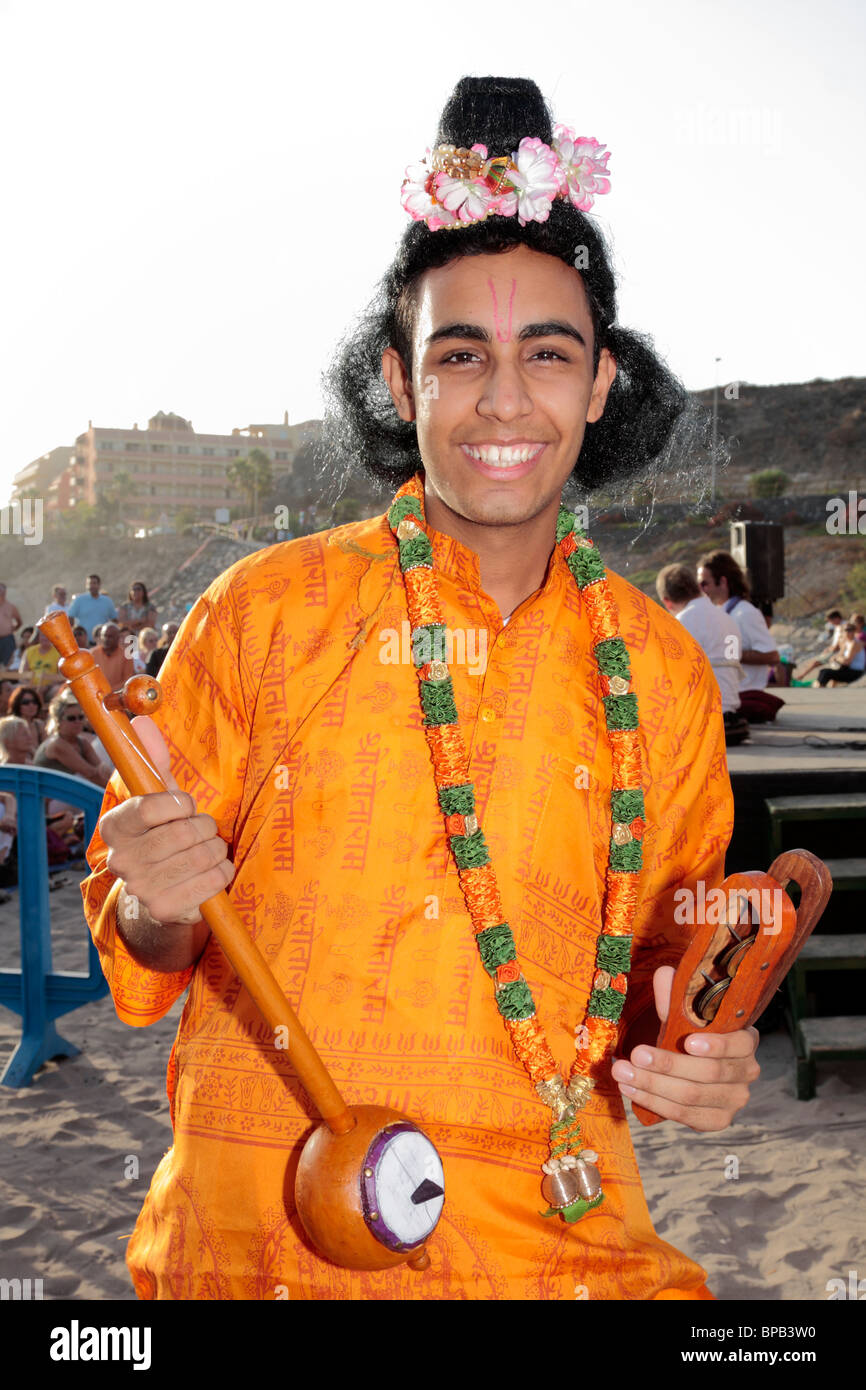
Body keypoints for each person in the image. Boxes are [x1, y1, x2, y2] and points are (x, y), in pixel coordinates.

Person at [81, 75, 758, 1303]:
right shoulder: (264, 613)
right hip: (264, 1249)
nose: (504, 397)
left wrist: (695, 1051)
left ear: (600, 383)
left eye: (546, 354)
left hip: (552, 1252)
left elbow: (665, 962)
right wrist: (156, 895)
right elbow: (144, 950)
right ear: (401, 385)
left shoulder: (656, 672)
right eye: (460, 355)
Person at [655, 564, 748, 746]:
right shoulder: (728, 620)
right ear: (698, 587)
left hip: (702, 723)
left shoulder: (680, 624)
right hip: (731, 720)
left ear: (667, 602)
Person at [697, 550, 782, 722]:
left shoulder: (745, 613)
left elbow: (773, 656)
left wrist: (726, 654)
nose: (700, 589)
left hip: (741, 694)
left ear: (722, 582)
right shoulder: (719, 612)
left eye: (704, 584)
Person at [33, 695, 108, 787]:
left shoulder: (82, 742)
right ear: (58, 721)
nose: (78, 721)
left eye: (81, 717)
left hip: (65, 792)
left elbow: (101, 770)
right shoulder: (57, 744)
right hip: (47, 795)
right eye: (71, 718)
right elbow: (90, 773)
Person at [796, 608, 844, 681]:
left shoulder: (844, 627)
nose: (830, 623)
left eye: (830, 621)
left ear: (836, 618)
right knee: (815, 661)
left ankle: (801, 676)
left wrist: (831, 649)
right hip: (833, 650)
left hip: (838, 652)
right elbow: (835, 643)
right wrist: (828, 648)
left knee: (816, 662)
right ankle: (801, 676)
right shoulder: (837, 627)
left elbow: (841, 644)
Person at [67, 575, 118, 642]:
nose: (91, 586)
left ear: (99, 585)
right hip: (83, 642)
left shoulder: (107, 601)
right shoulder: (79, 600)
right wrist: (73, 634)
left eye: (94, 583)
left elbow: (114, 620)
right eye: (89, 584)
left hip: (102, 642)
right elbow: (70, 617)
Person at [89, 622, 135, 690]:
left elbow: (127, 681)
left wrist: (109, 691)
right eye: (104, 636)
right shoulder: (92, 654)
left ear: (118, 638)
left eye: (110, 636)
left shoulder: (126, 656)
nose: (106, 639)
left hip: (117, 696)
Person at [18, 627, 61, 693]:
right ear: (38, 637)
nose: (45, 638)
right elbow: (22, 675)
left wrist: (47, 686)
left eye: (48, 635)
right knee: (16, 689)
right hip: (30, 687)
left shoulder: (58, 653)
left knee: (57, 689)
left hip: (50, 688)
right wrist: (30, 686)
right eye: (43, 635)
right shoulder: (29, 651)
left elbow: (61, 676)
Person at [0, 583, 23, 668]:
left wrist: (13, 629)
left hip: (7, 639)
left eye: (1, 590)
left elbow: (19, 621)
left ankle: (8, 680)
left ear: (5, 592)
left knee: (9, 663)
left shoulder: (11, 607)